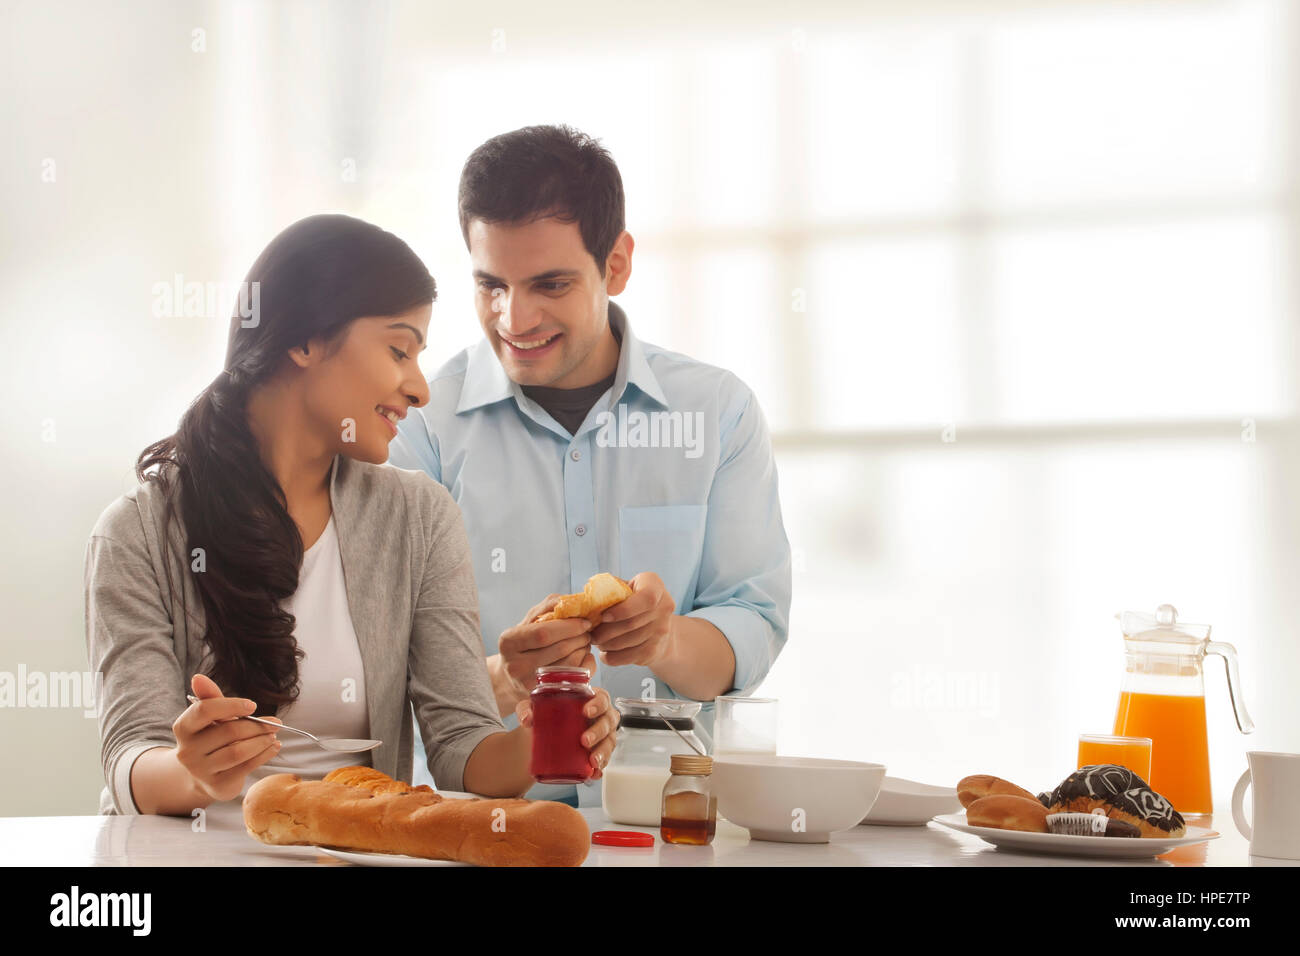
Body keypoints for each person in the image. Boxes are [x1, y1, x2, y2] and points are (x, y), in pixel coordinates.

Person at [84, 213, 617, 817]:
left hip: (348, 853)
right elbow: (130, 753)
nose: (421, 389)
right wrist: (196, 774)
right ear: (305, 339)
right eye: (398, 349)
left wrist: (548, 736)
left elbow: (463, 750)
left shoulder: (418, 518)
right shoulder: (138, 532)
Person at [388, 125, 791, 807]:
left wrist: (664, 639)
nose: (514, 317)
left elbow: (752, 629)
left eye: (550, 284)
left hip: (668, 825)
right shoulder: (422, 422)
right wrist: (506, 675)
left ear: (617, 264)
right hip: (482, 830)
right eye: (491, 284)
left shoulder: (717, 411)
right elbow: (389, 662)